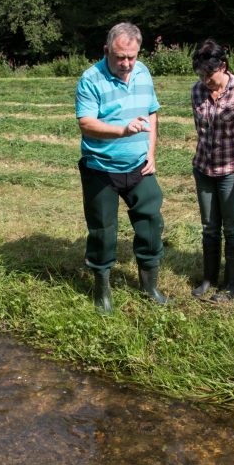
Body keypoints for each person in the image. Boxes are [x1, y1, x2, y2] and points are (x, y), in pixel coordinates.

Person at [75, 22, 167, 314]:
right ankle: (102, 292)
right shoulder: (90, 79)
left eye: (132, 56)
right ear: (106, 51)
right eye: (120, 57)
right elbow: (86, 124)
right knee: (103, 230)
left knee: (151, 222)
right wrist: (122, 131)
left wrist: (151, 151)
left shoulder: (143, 72)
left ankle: (149, 287)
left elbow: (151, 112)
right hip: (100, 168)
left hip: (139, 167)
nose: (127, 63)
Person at [190, 40, 234, 302]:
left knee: (232, 227)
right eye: (201, 75)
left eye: (209, 74)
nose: (205, 80)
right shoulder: (197, 92)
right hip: (203, 169)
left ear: (223, 66)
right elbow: (201, 129)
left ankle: (232, 284)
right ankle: (209, 278)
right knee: (209, 227)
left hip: (233, 171)